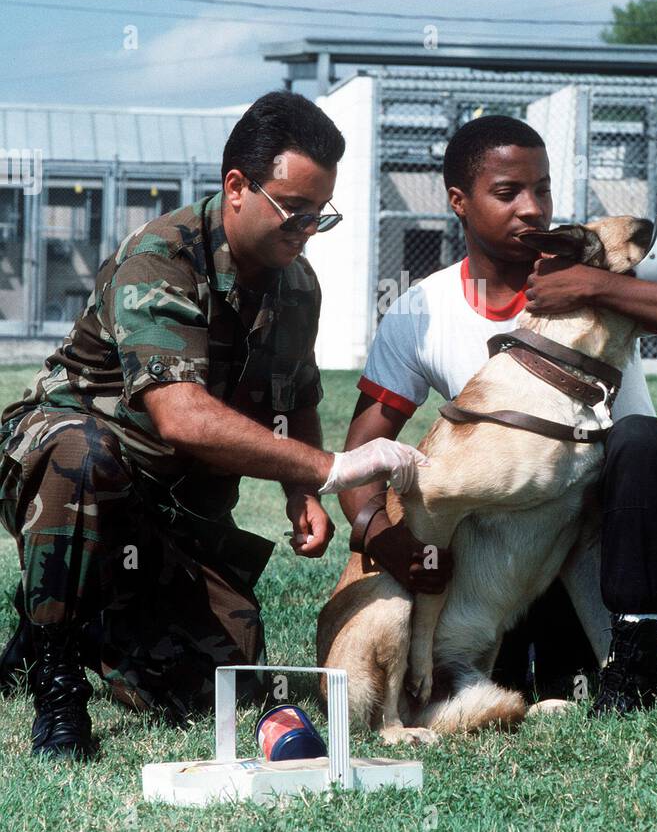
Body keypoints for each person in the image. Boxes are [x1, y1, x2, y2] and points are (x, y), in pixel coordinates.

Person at [0, 92, 426, 760]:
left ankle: (79, 615)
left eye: (322, 214)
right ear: (236, 187)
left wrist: (298, 492)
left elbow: (297, 395)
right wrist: (331, 470)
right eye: (296, 210)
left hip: (174, 511)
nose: (308, 229)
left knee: (227, 685)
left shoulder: (296, 285)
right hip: (75, 467)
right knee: (84, 453)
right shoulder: (161, 257)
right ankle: (54, 677)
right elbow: (182, 417)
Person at [338, 115, 657, 717]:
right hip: (514, 552)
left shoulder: (599, 263)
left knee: (637, 439)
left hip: (615, 526)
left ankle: (635, 649)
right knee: (522, 684)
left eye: (544, 189)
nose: (533, 209)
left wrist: (594, 288)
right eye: (508, 193)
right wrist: (385, 538)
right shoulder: (420, 309)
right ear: (459, 200)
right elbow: (361, 452)